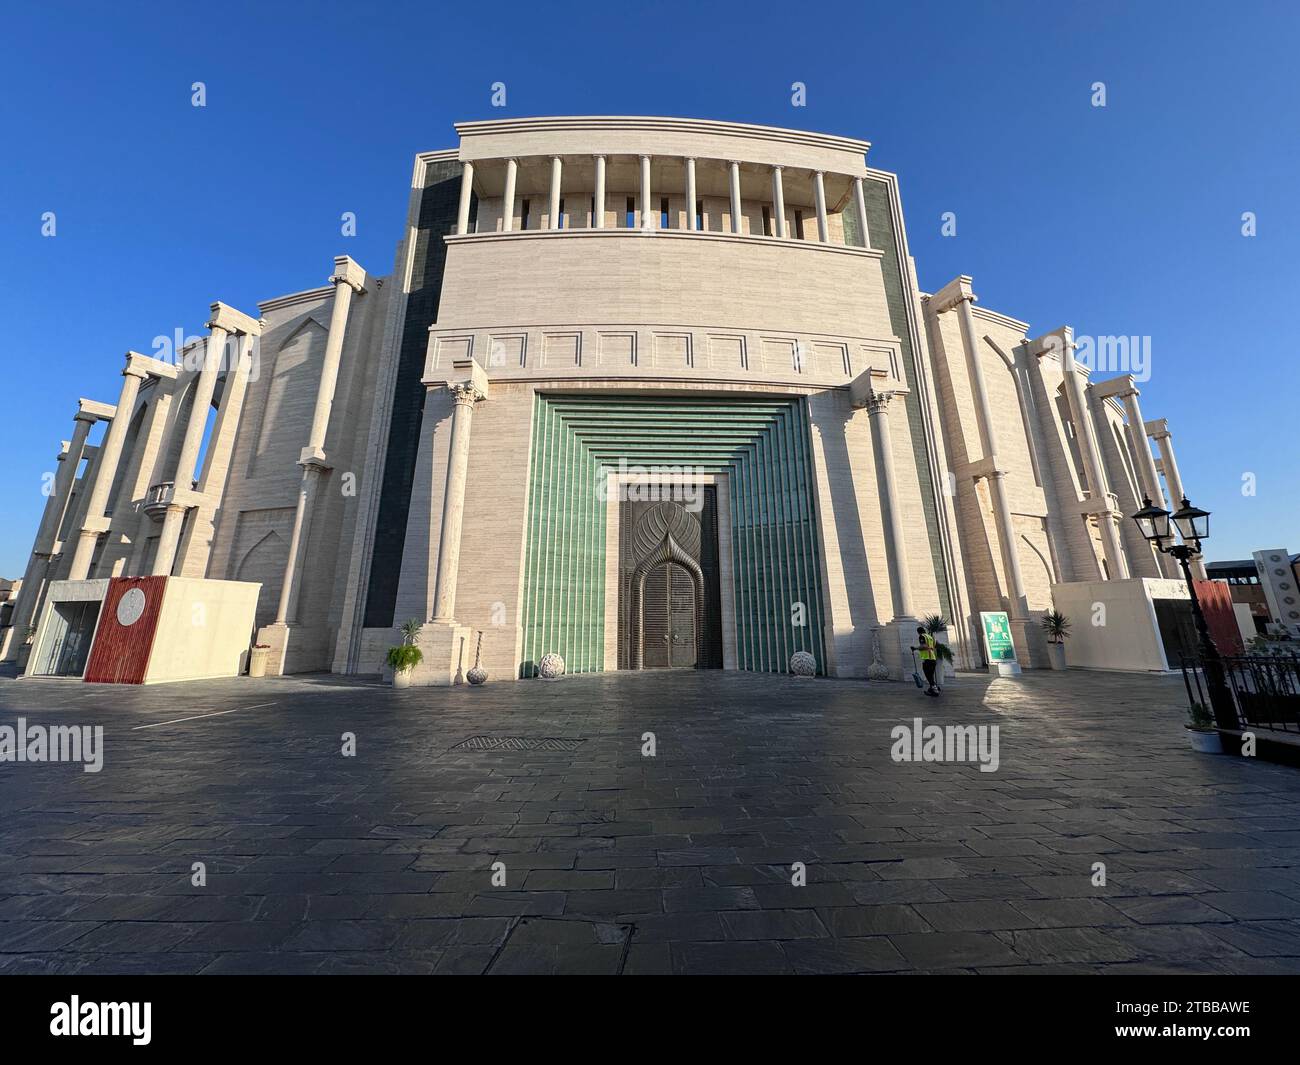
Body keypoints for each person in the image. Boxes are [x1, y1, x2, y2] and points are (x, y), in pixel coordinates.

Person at [912, 625, 940, 697]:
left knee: (928, 675)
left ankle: (935, 690)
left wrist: (915, 648)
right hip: (933, 658)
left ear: (919, 632)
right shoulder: (930, 637)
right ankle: (932, 688)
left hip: (927, 658)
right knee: (931, 675)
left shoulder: (922, 636)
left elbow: (923, 646)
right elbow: (935, 646)